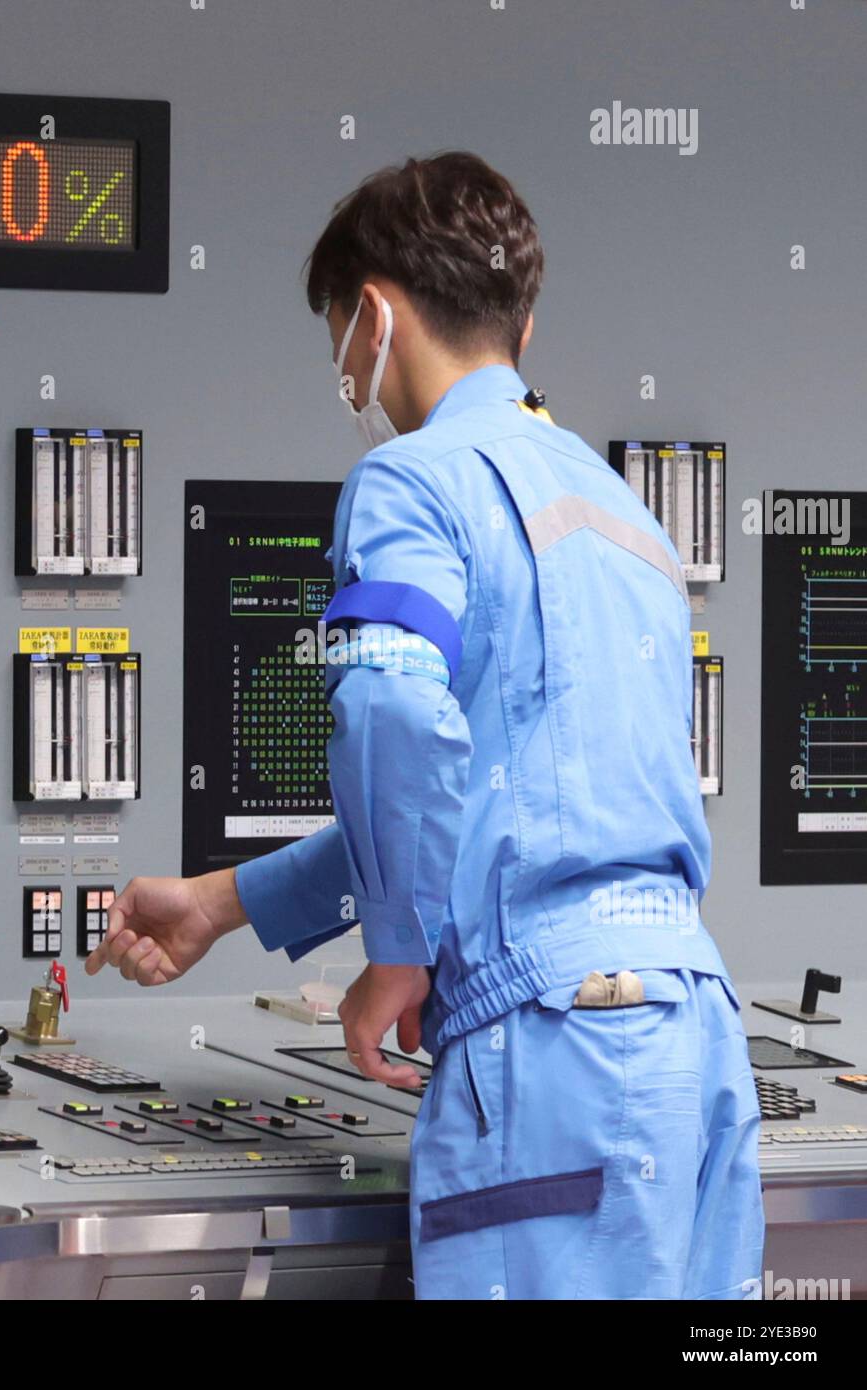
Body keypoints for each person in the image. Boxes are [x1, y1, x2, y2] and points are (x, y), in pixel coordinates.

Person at [87, 151, 765, 1300]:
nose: (348, 371)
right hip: (692, 1044)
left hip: (551, 1058)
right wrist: (222, 902)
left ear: (370, 317)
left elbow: (394, 711)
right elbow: (485, 802)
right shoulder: (624, 515)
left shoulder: (411, 481)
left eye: (338, 341)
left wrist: (395, 953)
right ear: (525, 322)